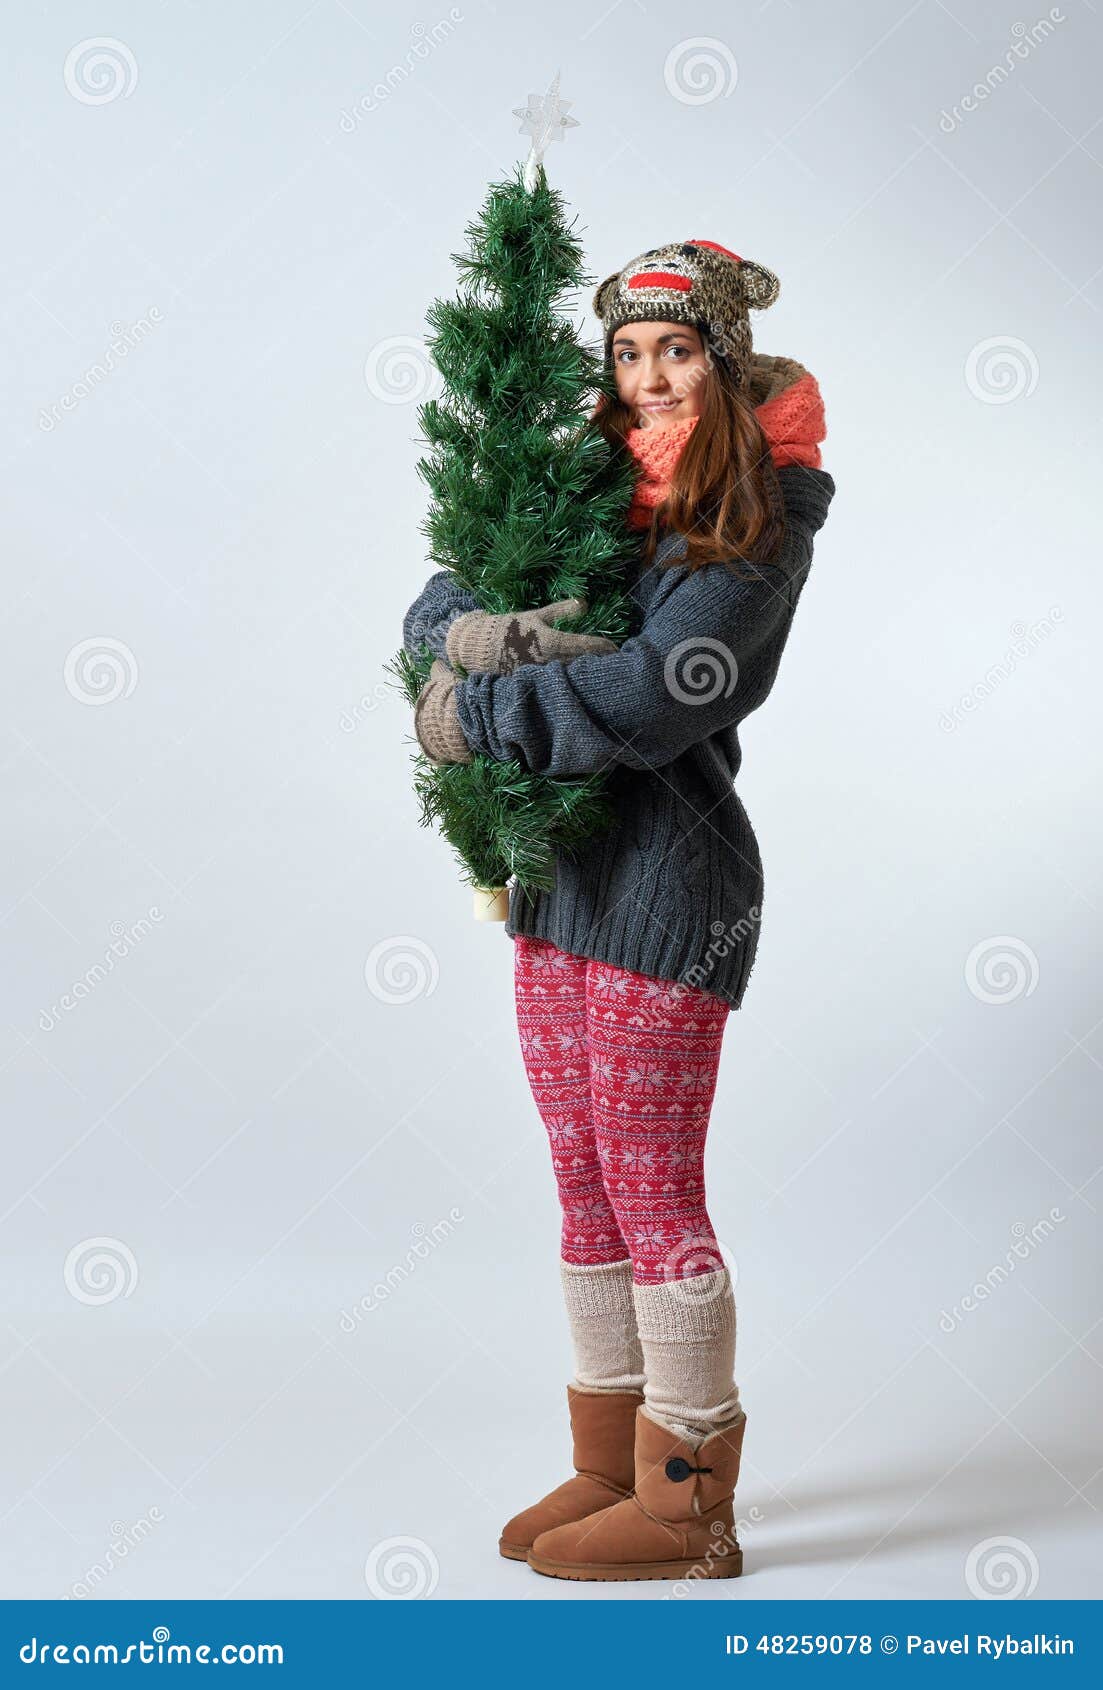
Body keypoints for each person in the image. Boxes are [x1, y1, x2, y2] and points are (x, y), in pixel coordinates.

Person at [403, 238, 836, 1581]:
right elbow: (442, 591)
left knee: (653, 1188)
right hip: (561, 885)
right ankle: (609, 1464)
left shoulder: (753, 527)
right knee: (584, 1181)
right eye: (629, 352)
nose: (649, 376)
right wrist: (485, 637)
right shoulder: (589, 486)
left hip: (668, 891)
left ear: (726, 363)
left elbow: (660, 693)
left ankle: (690, 1502)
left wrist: (479, 711)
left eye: (678, 351)